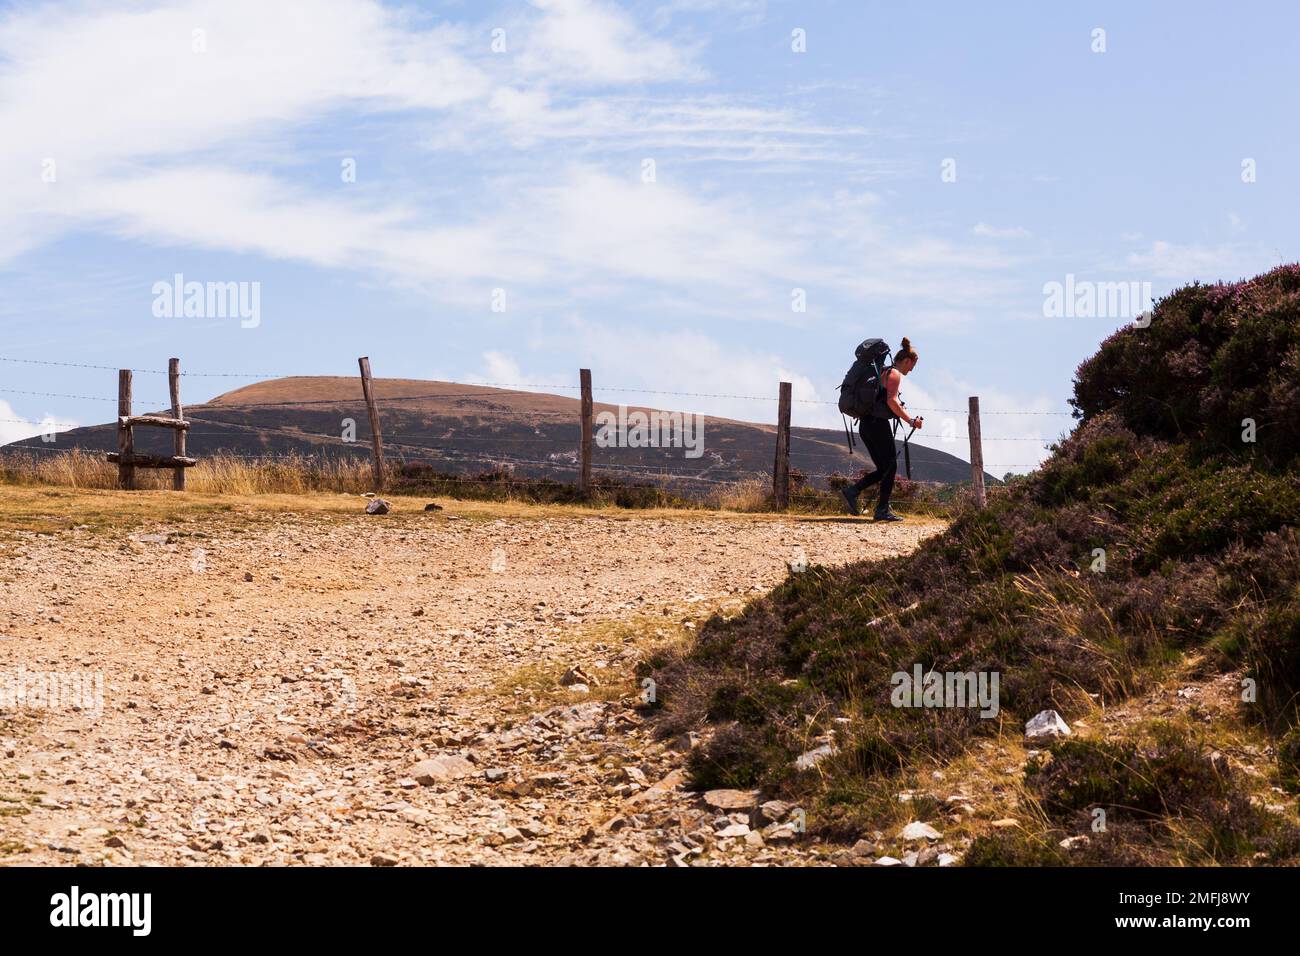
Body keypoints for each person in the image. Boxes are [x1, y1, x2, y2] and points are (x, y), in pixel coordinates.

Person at [842, 337, 923, 521]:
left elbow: (886, 402)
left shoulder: (882, 372)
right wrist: (910, 421)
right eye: (912, 366)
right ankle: (882, 510)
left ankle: (853, 491)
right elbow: (891, 401)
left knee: (884, 468)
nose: (911, 370)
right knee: (890, 466)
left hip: (865, 424)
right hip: (878, 425)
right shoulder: (893, 374)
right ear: (907, 361)